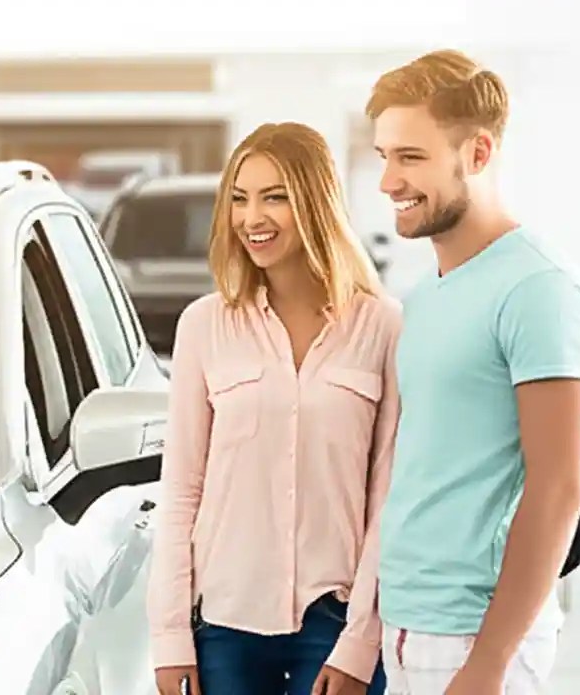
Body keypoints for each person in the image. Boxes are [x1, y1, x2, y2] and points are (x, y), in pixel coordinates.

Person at [366, 50, 580, 694]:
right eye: (383, 155)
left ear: (477, 153)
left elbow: (559, 486)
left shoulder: (539, 288)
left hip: (477, 635)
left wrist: (491, 662)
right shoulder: (425, 294)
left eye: (410, 157)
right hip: (409, 625)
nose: (388, 181)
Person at [147, 122, 399, 695]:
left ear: (315, 202)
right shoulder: (205, 326)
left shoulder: (382, 326)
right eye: (240, 198)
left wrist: (363, 639)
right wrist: (169, 639)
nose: (251, 217)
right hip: (225, 625)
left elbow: (388, 496)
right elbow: (182, 489)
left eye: (274, 196)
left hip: (335, 621)